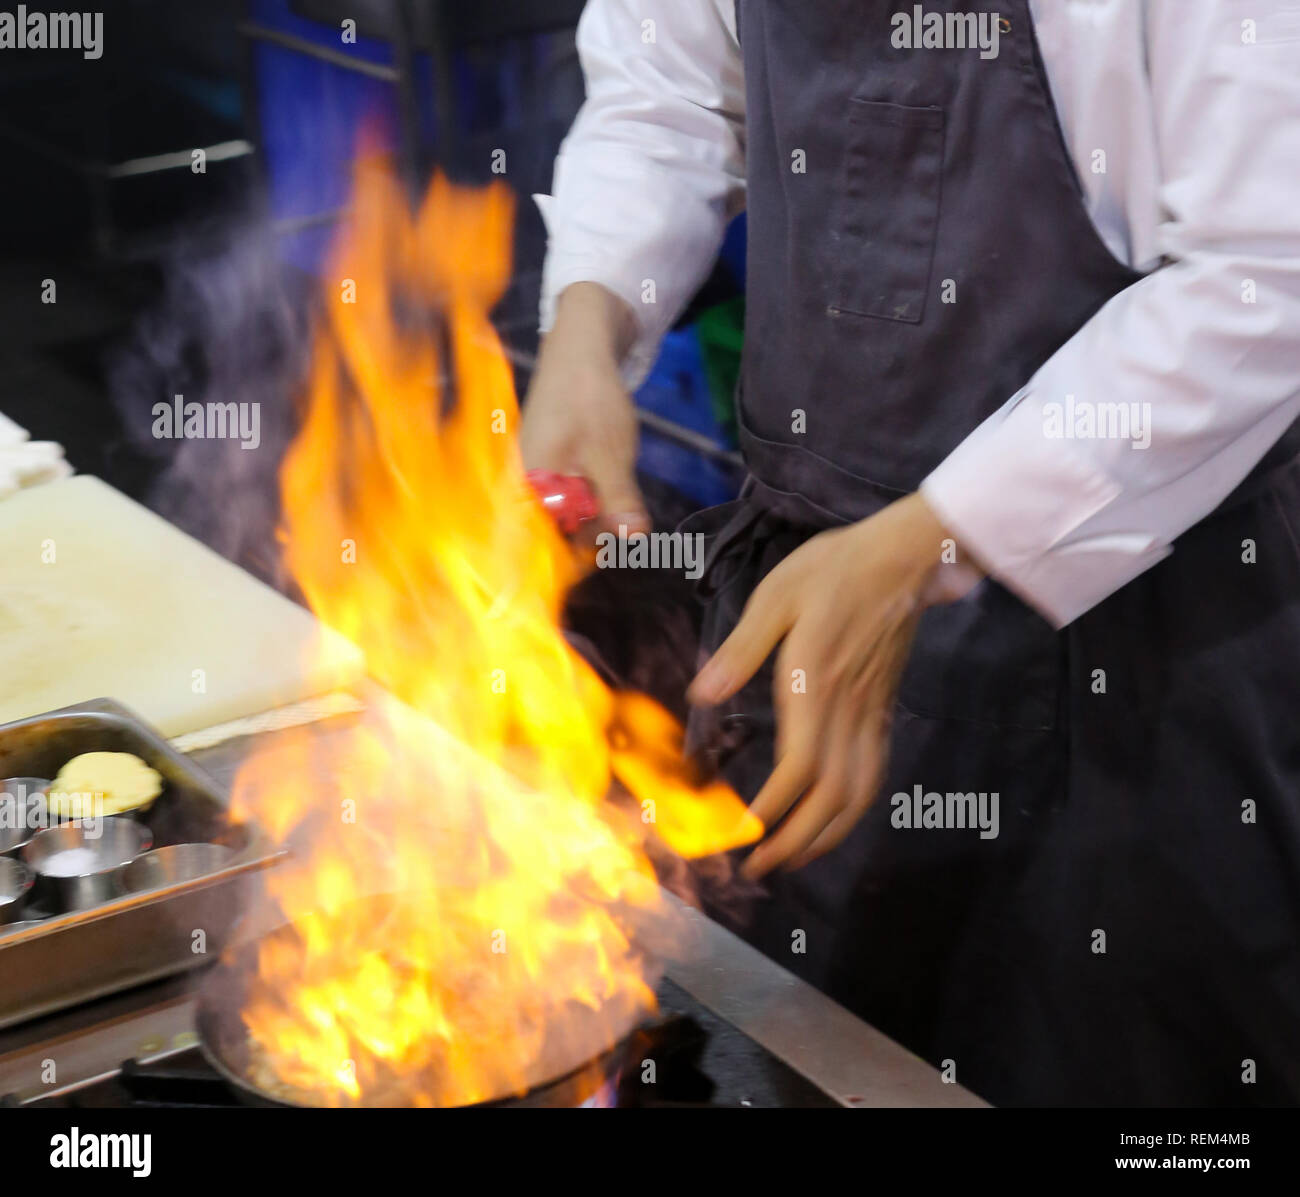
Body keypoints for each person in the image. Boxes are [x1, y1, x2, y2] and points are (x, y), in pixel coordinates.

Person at [521, 0, 1300, 1106]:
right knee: (838, 1060)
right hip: (811, 630)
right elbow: (669, 93)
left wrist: (936, 534)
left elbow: (1265, 271)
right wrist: (586, 327)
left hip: (1140, 662)